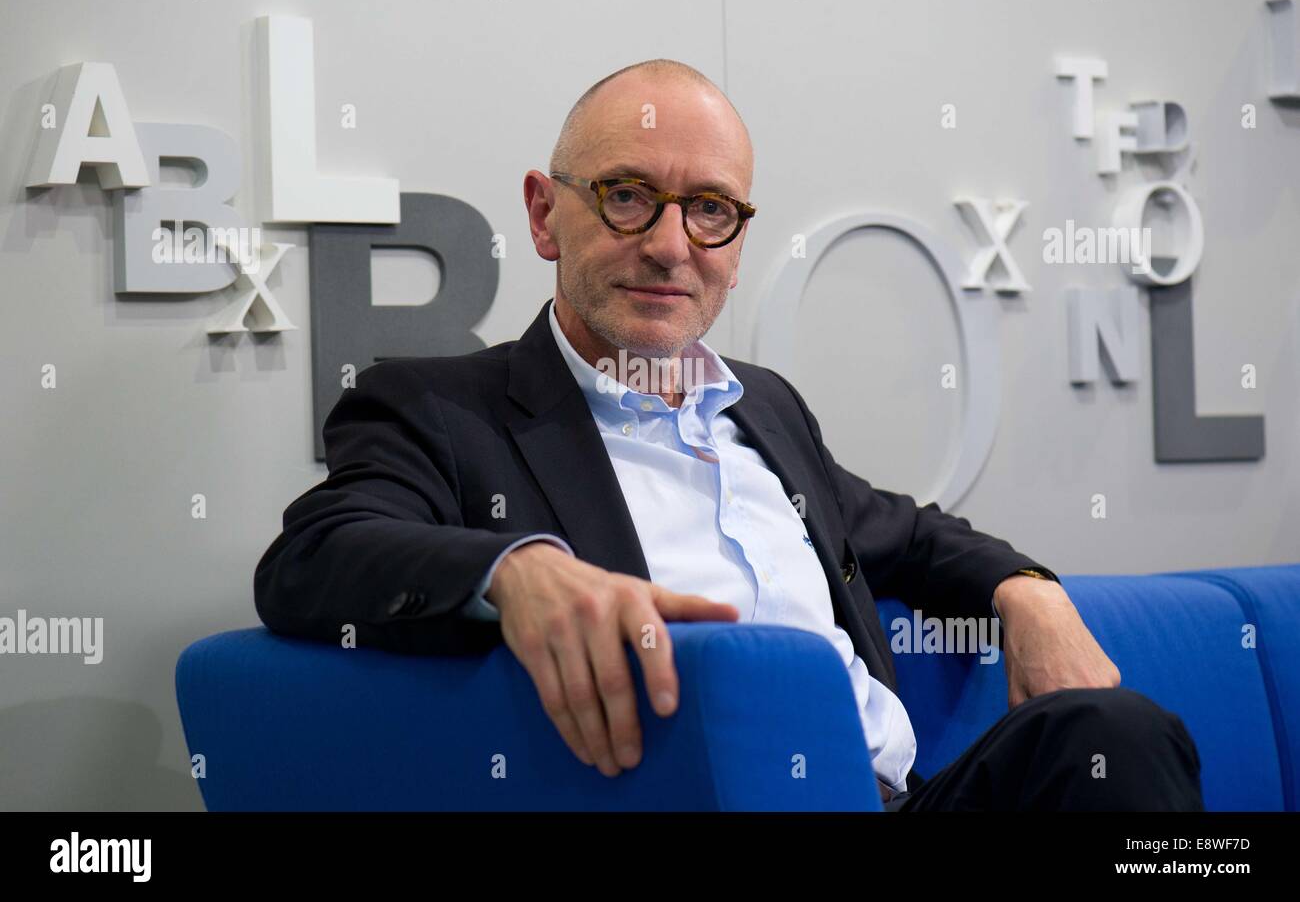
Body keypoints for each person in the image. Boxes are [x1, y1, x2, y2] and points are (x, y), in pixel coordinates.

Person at [254, 59, 1204, 811]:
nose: (671, 245)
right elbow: (310, 558)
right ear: (546, 214)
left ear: (739, 243)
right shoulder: (440, 409)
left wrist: (1027, 593)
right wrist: (517, 570)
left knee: (1113, 736)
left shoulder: (767, 409)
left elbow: (909, 535)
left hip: (890, 799)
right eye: (627, 194)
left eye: (710, 209)